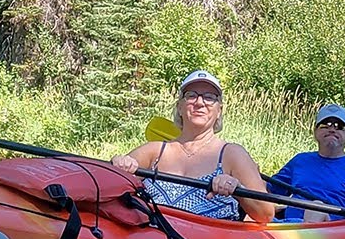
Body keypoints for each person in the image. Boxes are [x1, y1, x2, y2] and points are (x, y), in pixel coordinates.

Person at [112, 70, 275, 223]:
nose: (199, 102)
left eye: (209, 97)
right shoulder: (153, 151)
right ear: (179, 107)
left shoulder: (232, 154)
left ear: (219, 110)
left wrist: (238, 189)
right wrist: (118, 163)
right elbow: (106, 185)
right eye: (191, 96)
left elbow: (266, 214)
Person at [272, 104, 345, 222]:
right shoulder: (299, 161)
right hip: (289, 225)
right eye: (326, 125)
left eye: (339, 126)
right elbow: (269, 190)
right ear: (315, 131)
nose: (332, 129)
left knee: (316, 207)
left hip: (329, 229)